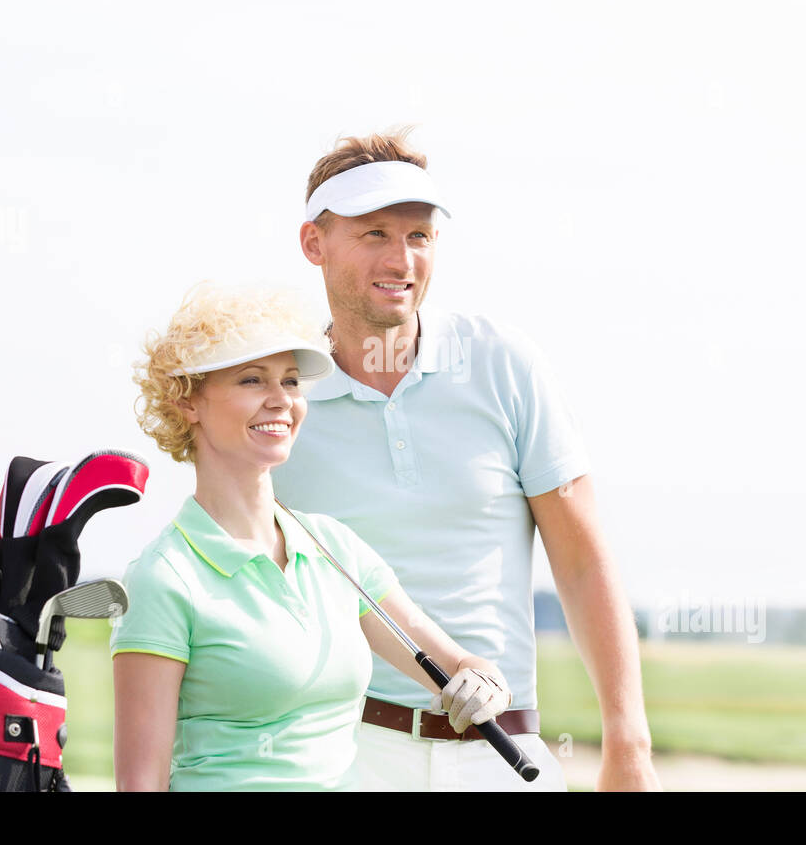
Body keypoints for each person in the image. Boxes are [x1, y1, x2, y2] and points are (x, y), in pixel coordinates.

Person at [271, 128, 663, 791]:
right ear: (315, 243)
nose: (402, 258)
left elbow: (581, 556)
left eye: (419, 236)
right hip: (342, 754)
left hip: (503, 752)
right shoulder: (278, 396)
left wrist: (629, 744)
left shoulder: (503, 364)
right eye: (375, 234)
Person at [110, 282, 513, 791]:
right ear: (187, 402)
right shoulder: (163, 578)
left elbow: (455, 663)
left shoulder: (334, 548)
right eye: (253, 380)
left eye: (292, 382)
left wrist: (485, 680)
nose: (281, 400)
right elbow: (139, 785)